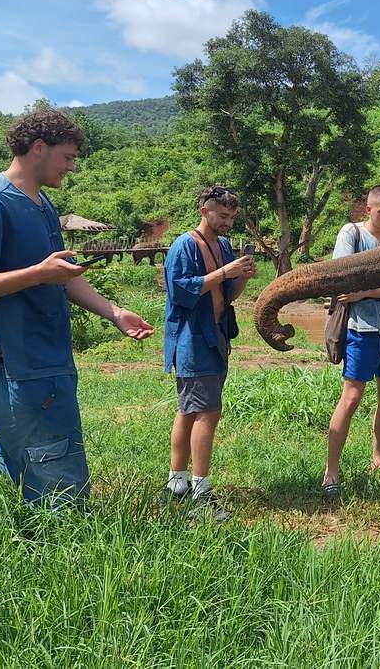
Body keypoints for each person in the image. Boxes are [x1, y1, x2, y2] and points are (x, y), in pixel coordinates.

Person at [0, 109, 154, 507]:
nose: (72, 167)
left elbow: (63, 274)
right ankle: (62, 552)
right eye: (68, 156)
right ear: (39, 148)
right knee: (56, 471)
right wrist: (38, 274)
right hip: (16, 358)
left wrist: (114, 312)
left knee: (19, 459)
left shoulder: (41, 205)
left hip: (45, 352)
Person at [161, 185, 257, 514]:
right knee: (207, 412)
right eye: (222, 215)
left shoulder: (224, 245)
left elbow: (226, 293)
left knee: (190, 409)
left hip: (216, 335)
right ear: (205, 210)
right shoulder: (184, 246)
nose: (227, 222)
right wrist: (224, 272)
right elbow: (182, 291)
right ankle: (201, 491)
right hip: (191, 338)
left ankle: (177, 482)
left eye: (231, 217)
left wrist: (240, 276)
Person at [321, 184, 380, 494]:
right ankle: (331, 472)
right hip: (360, 329)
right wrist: (374, 280)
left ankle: (378, 462)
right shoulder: (352, 234)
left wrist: (366, 291)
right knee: (352, 397)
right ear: (368, 210)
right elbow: (343, 276)